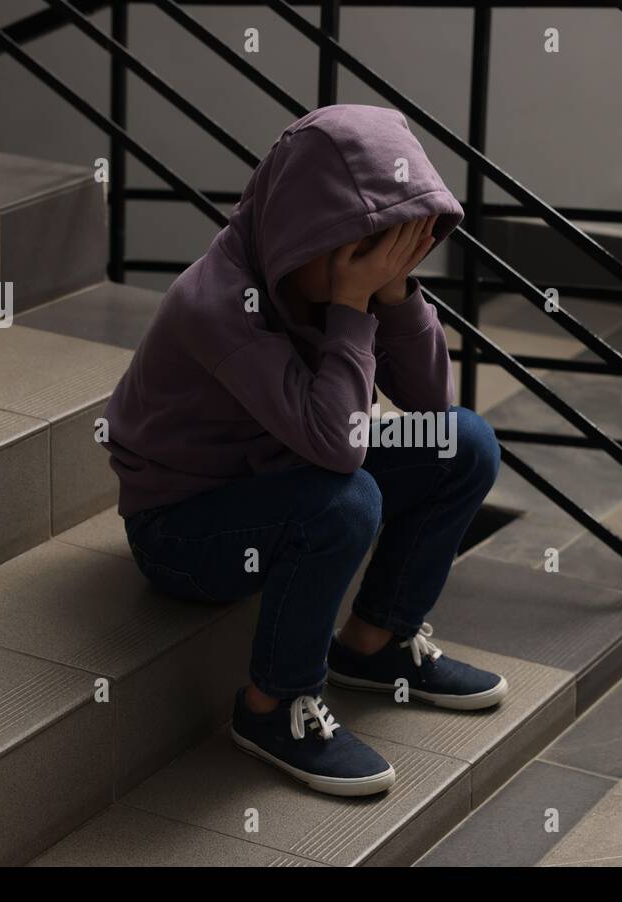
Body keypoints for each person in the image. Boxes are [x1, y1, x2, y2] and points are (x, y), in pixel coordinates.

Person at [102, 104, 507, 797]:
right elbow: (338, 447)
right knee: (347, 502)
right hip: (183, 528)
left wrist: (393, 293)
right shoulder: (219, 306)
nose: (379, 262)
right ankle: (272, 705)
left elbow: (431, 404)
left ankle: (375, 643)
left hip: (286, 472)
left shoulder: (325, 281)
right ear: (299, 234)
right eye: (364, 249)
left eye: (397, 248)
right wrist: (353, 308)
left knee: (462, 441)